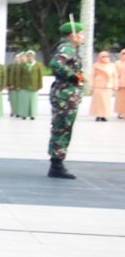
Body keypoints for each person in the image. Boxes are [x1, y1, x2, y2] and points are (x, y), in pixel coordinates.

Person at [48, 22, 85, 179]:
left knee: (63, 127)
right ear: (72, 35)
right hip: (65, 95)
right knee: (62, 128)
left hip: (67, 94)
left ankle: (57, 162)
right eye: (81, 34)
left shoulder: (69, 48)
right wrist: (73, 75)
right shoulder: (67, 48)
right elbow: (56, 63)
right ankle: (56, 164)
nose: (83, 37)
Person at [90, 50, 115, 122]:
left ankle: (105, 115)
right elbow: (92, 76)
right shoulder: (96, 65)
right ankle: (98, 115)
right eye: (103, 56)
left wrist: (115, 85)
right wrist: (92, 85)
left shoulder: (112, 65)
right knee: (98, 101)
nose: (105, 58)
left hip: (108, 85)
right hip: (98, 85)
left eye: (107, 56)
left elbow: (115, 76)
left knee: (106, 102)